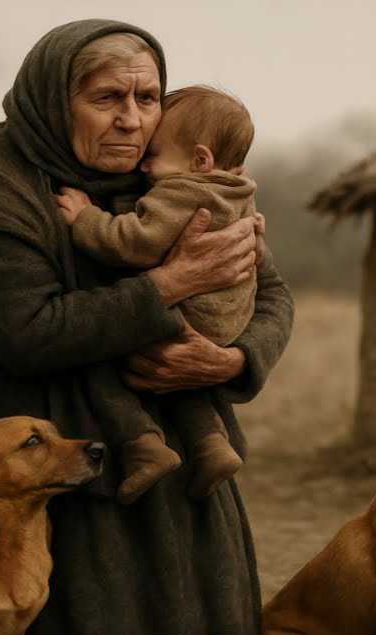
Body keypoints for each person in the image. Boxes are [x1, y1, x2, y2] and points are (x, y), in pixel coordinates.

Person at [0, 19, 293, 635]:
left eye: (148, 97)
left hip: (173, 463)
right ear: (53, 99)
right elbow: (26, 332)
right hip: (21, 467)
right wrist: (166, 286)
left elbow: (271, 292)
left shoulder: (179, 180)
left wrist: (230, 357)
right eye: (107, 98)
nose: (132, 120)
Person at [53, 85, 258, 505]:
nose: (145, 164)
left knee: (103, 360)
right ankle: (212, 445)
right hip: (227, 319)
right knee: (182, 379)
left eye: (155, 153)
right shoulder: (237, 192)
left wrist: (86, 219)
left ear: (200, 160)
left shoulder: (182, 191)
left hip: (192, 310)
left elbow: (135, 240)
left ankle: (143, 445)